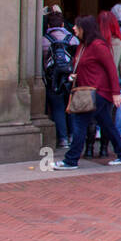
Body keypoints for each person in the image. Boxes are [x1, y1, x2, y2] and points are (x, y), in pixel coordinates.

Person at [54, 15, 121, 170]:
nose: (74, 28)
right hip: (91, 92)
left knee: (79, 124)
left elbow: (111, 68)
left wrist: (115, 92)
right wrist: (74, 76)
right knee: (106, 124)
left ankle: (71, 160)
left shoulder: (97, 45)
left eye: (77, 26)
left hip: (96, 93)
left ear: (85, 29)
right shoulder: (84, 46)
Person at [90, 10, 121, 158]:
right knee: (106, 116)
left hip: (96, 83)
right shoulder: (119, 43)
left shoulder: (94, 43)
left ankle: (89, 148)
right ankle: (104, 149)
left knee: (93, 117)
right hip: (113, 84)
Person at [41, 9, 80, 150]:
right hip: (70, 79)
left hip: (53, 80)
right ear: (63, 25)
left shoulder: (43, 40)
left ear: (48, 26)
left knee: (57, 108)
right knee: (70, 107)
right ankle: (72, 135)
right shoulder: (72, 39)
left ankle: (62, 139)